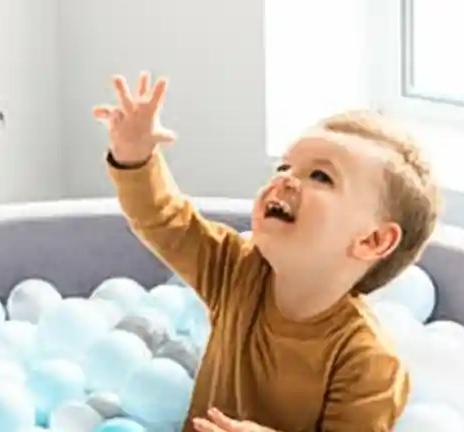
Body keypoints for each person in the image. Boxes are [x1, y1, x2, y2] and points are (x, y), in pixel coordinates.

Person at [93, 72, 441, 432]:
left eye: (321, 176)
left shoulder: (367, 362)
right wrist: (135, 156)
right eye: (284, 166)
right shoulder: (236, 271)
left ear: (372, 241)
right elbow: (165, 220)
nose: (286, 179)